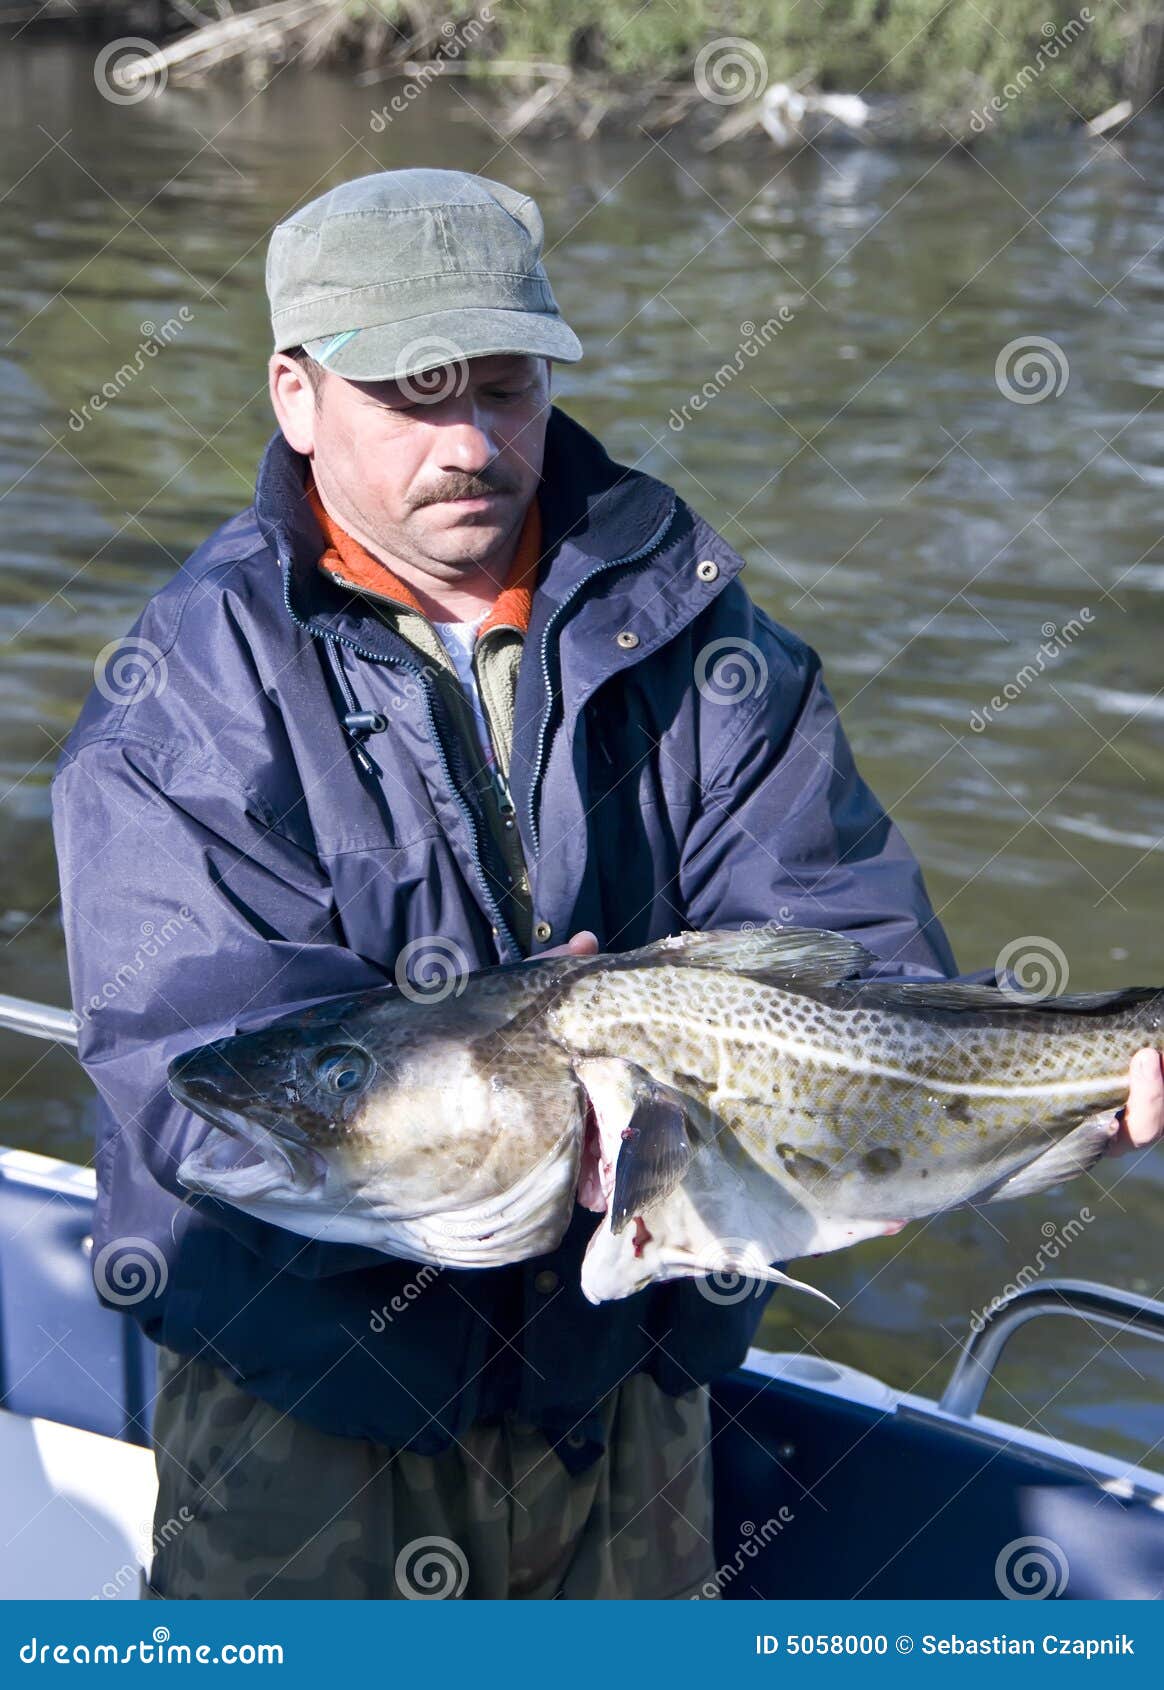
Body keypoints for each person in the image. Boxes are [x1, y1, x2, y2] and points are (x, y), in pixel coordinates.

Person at [51, 168, 1163, 1601]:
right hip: (308, 1425)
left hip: (629, 1414)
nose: (470, 440)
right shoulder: (187, 690)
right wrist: (514, 1085)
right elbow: (193, 1064)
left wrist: (1067, 1091)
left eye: (505, 387)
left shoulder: (700, 625)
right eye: (413, 392)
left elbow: (857, 946)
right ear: (296, 394)